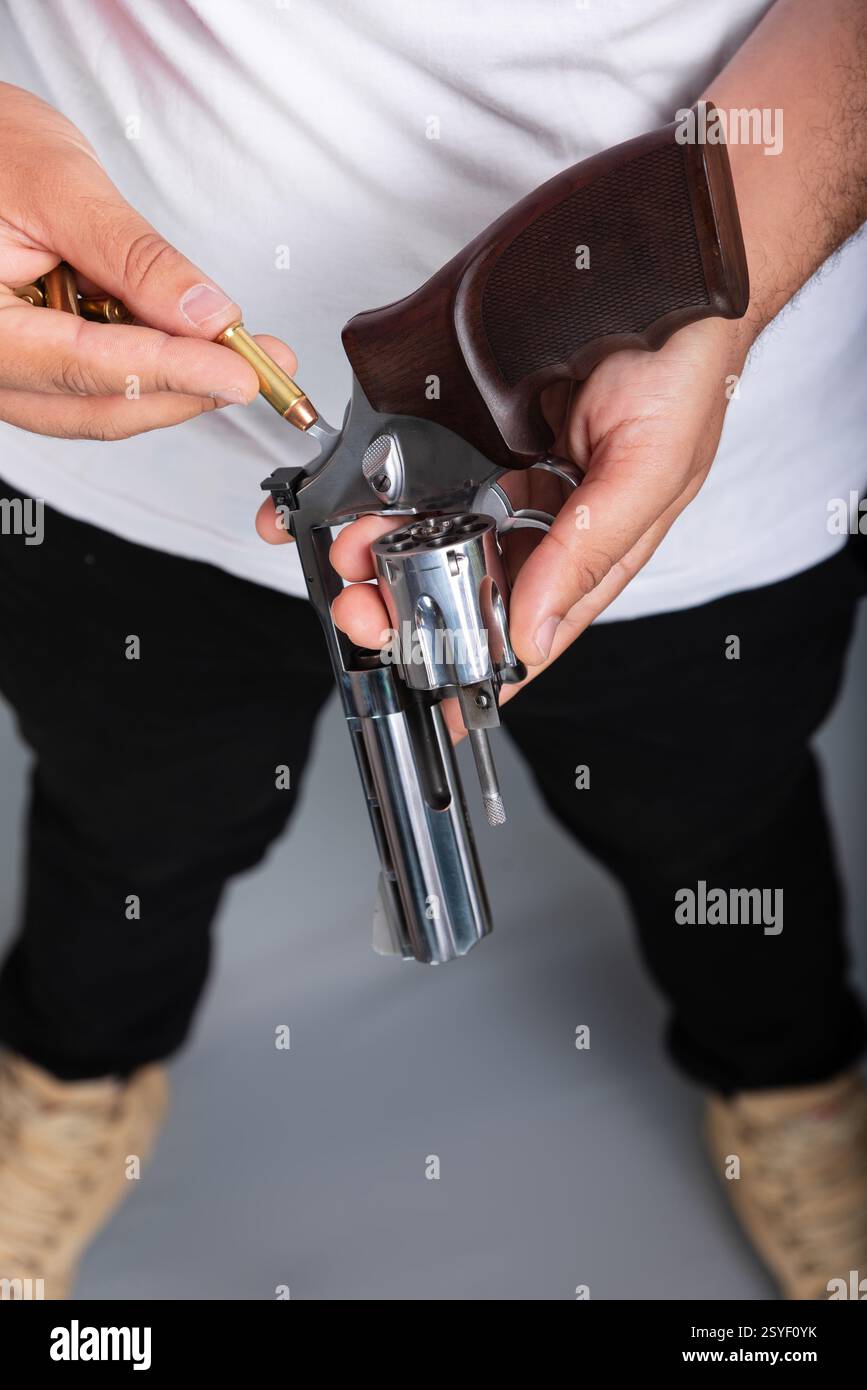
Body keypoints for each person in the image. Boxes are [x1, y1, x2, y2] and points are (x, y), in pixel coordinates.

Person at [0, 0, 865, 1301]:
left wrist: (737, 266)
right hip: (111, 431)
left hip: (676, 430)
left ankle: (794, 1084)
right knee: (123, 824)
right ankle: (70, 1074)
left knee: (727, 831)